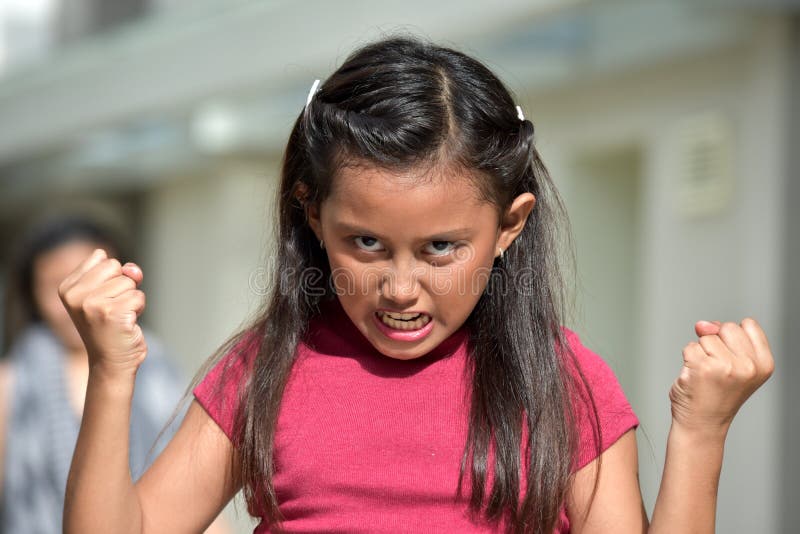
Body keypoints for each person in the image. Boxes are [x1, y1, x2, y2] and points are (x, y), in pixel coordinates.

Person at [58, 37, 774, 534]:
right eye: (365, 243)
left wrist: (702, 432)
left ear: (510, 226)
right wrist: (111, 374)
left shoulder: (564, 385)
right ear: (312, 214)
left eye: (440, 248)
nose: (400, 287)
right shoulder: (264, 369)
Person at [0, 214, 215, 533]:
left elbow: (194, 487)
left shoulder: (158, 369)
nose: (80, 301)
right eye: (57, 287)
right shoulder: (12, 383)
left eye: (94, 282)